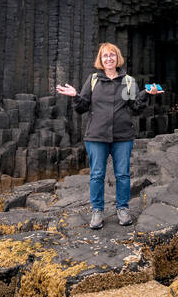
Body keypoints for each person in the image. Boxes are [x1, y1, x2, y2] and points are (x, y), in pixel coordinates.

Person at [55, 42, 161, 229]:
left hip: (122, 136)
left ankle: (123, 208)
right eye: (105, 56)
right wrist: (75, 96)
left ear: (117, 58)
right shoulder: (94, 80)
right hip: (96, 136)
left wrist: (145, 94)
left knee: (122, 175)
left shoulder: (127, 81)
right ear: (101, 60)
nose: (109, 58)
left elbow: (135, 108)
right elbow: (82, 107)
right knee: (97, 175)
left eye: (112, 55)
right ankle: (97, 211)